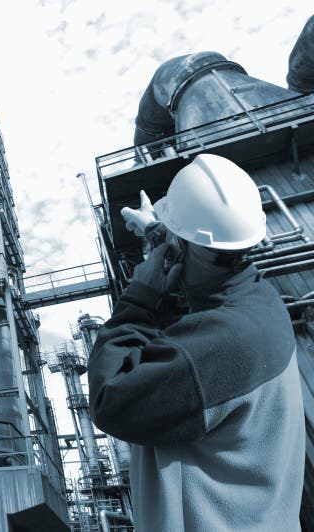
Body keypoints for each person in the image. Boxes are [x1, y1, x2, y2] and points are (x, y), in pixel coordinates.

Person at [88, 153, 305, 531]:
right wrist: (160, 235)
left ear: (183, 249)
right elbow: (205, 257)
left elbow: (110, 398)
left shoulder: (215, 346)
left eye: (175, 239)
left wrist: (139, 296)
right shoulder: (257, 302)